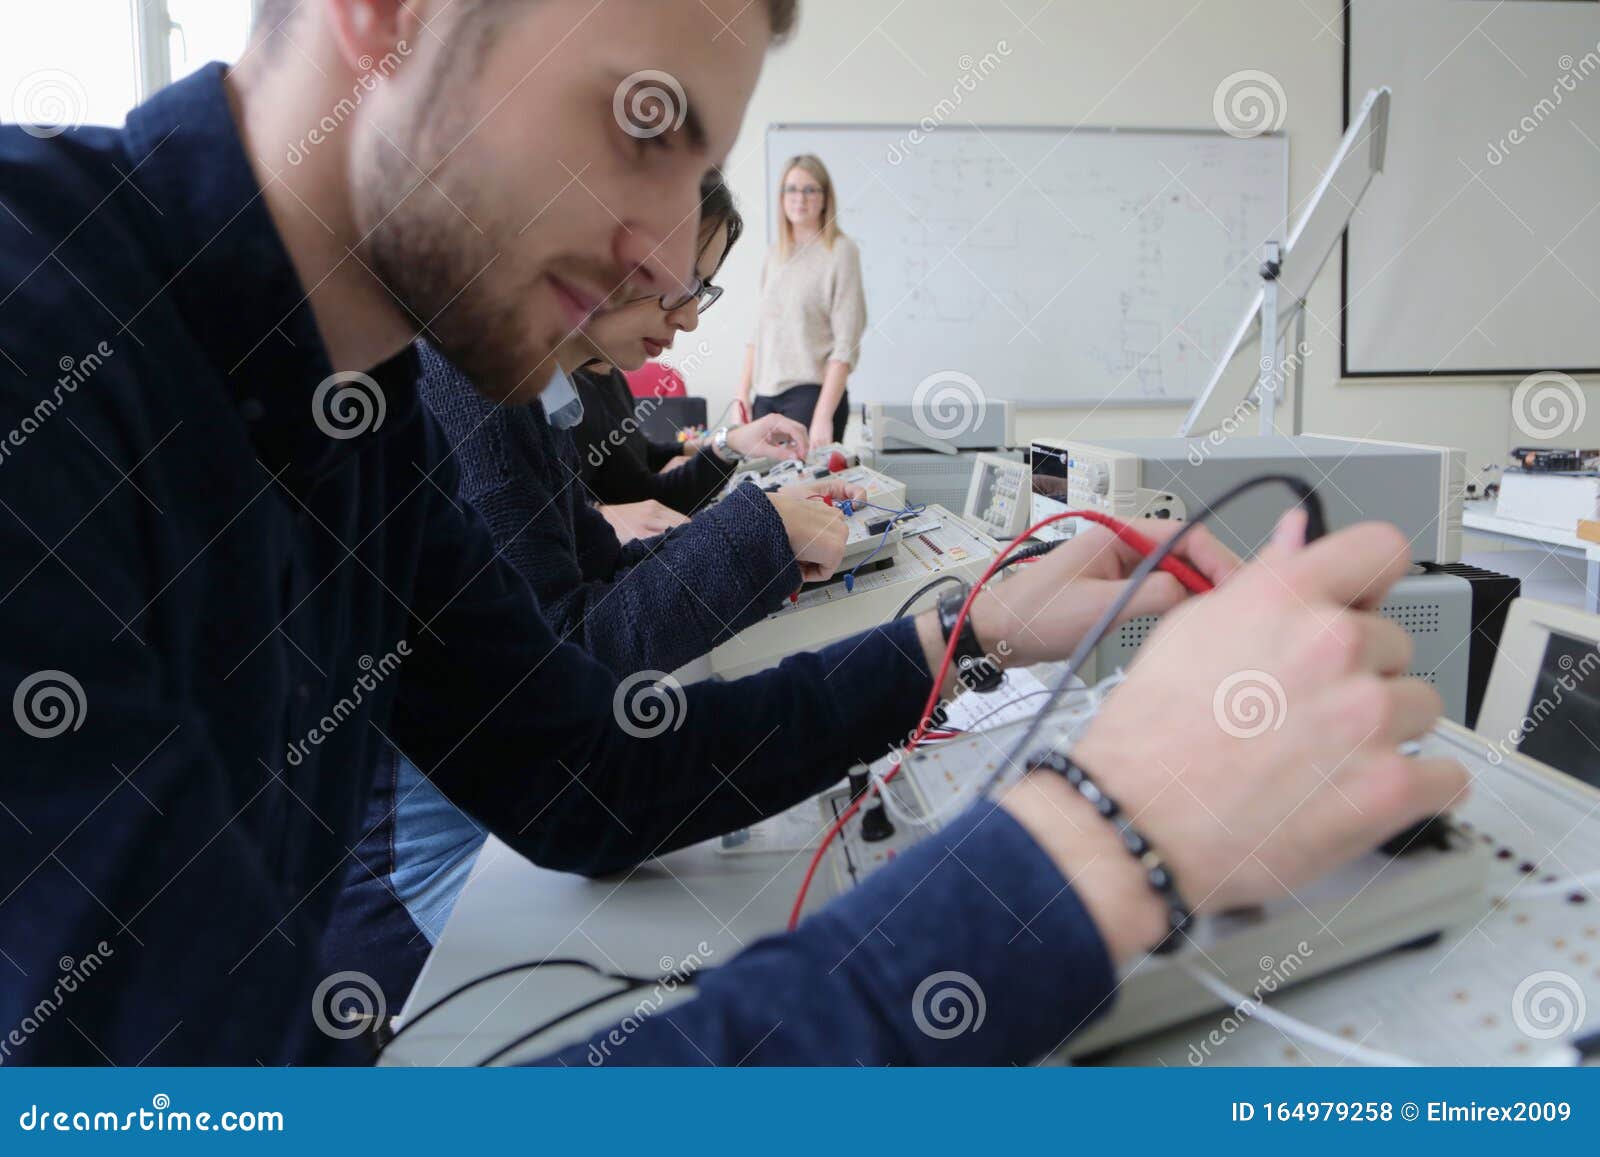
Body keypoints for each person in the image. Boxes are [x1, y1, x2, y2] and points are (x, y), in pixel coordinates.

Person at [0, 0, 1464, 1067]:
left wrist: (960, 633)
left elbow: (582, 770)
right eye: (639, 128)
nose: (661, 253)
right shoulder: (38, 336)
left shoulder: (353, 408)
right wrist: (1112, 837)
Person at [326, 173, 867, 997]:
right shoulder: (477, 390)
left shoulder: (528, 391)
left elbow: (597, 579)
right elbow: (567, 648)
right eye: (683, 285)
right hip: (421, 884)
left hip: (484, 821)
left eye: (704, 291)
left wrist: (765, 539)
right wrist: (759, 533)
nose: (689, 317)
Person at [737, 154, 865, 447]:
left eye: (810, 189)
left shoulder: (841, 252)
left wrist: (822, 416)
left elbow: (845, 344)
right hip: (765, 396)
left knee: (799, 492)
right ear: (781, 197)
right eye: (791, 189)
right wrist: (741, 394)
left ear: (824, 198)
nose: (800, 198)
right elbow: (758, 333)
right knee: (761, 490)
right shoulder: (775, 254)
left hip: (810, 395)